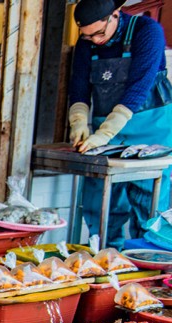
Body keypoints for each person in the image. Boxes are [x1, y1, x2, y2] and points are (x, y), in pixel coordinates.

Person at [67, 0, 172, 246]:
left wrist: (105, 133)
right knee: (101, 203)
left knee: (149, 206)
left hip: (150, 131)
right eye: (88, 36)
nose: (95, 40)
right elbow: (79, 86)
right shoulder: (87, 43)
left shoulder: (147, 31)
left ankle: (146, 268)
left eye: (99, 33)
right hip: (107, 135)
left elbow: (139, 87)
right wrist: (79, 120)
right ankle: (104, 259)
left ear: (115, 15)